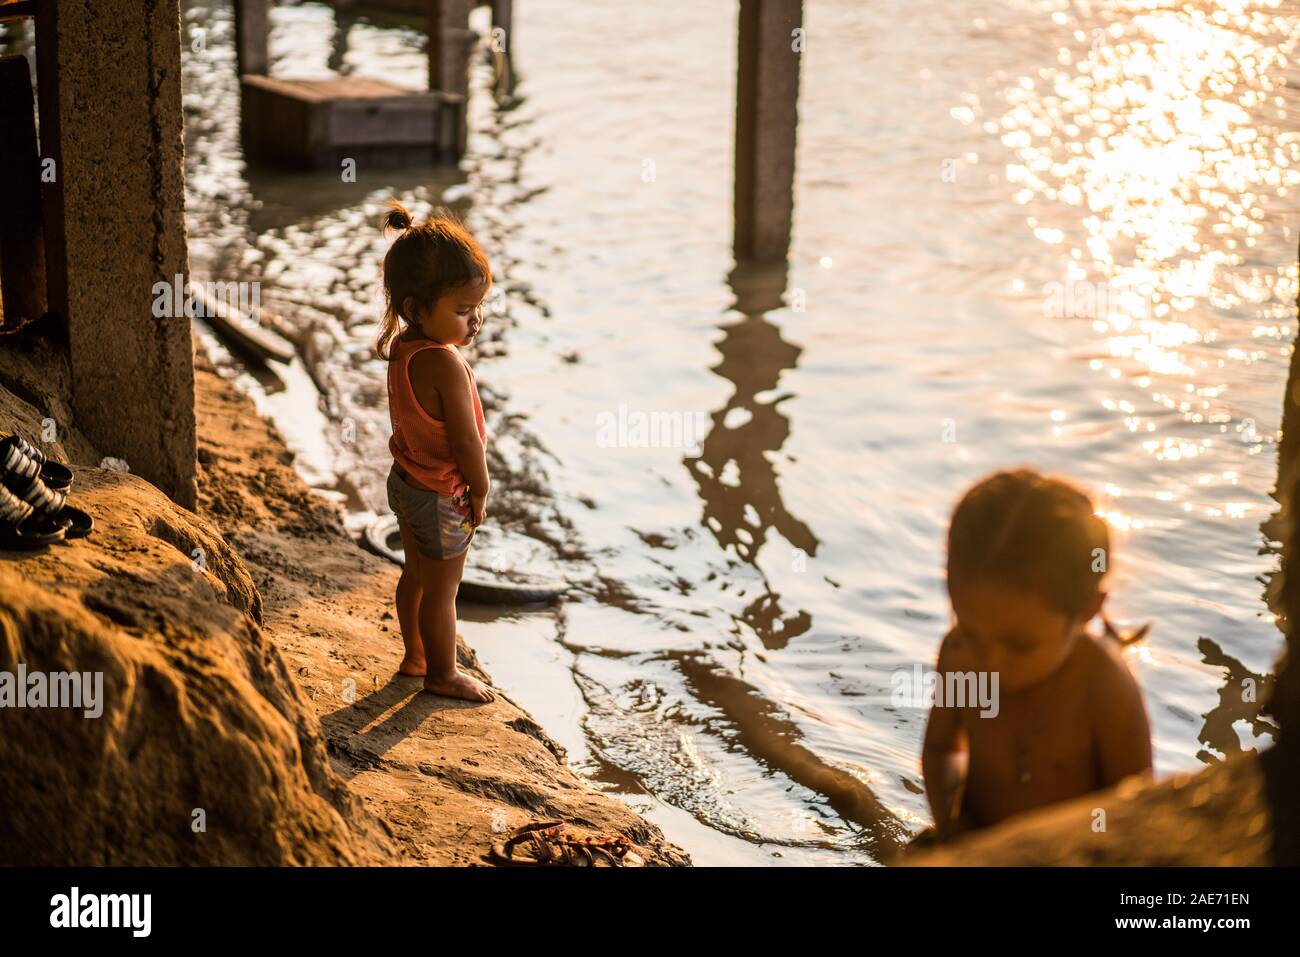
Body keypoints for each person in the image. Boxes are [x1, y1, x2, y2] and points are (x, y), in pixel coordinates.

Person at [921, 468, 1152, 840]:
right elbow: (940, 749)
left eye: (1020, 646)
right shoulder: (961, 657)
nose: (991, 664)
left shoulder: (1103, 689)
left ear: (1086, 612)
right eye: (971, 633)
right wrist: (951, 826)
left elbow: (1135, 810)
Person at [377, 199, 495, 703]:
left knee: (415, 575)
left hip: (405, 482)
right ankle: (442, 674)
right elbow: (466, 442)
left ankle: (415, 656)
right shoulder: (445, 365)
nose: (476, 321)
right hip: (442, 494)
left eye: (479, 308)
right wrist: (481, 487)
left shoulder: (405, 346)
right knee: (444, 591)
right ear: (416, 309)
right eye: (464, 311)